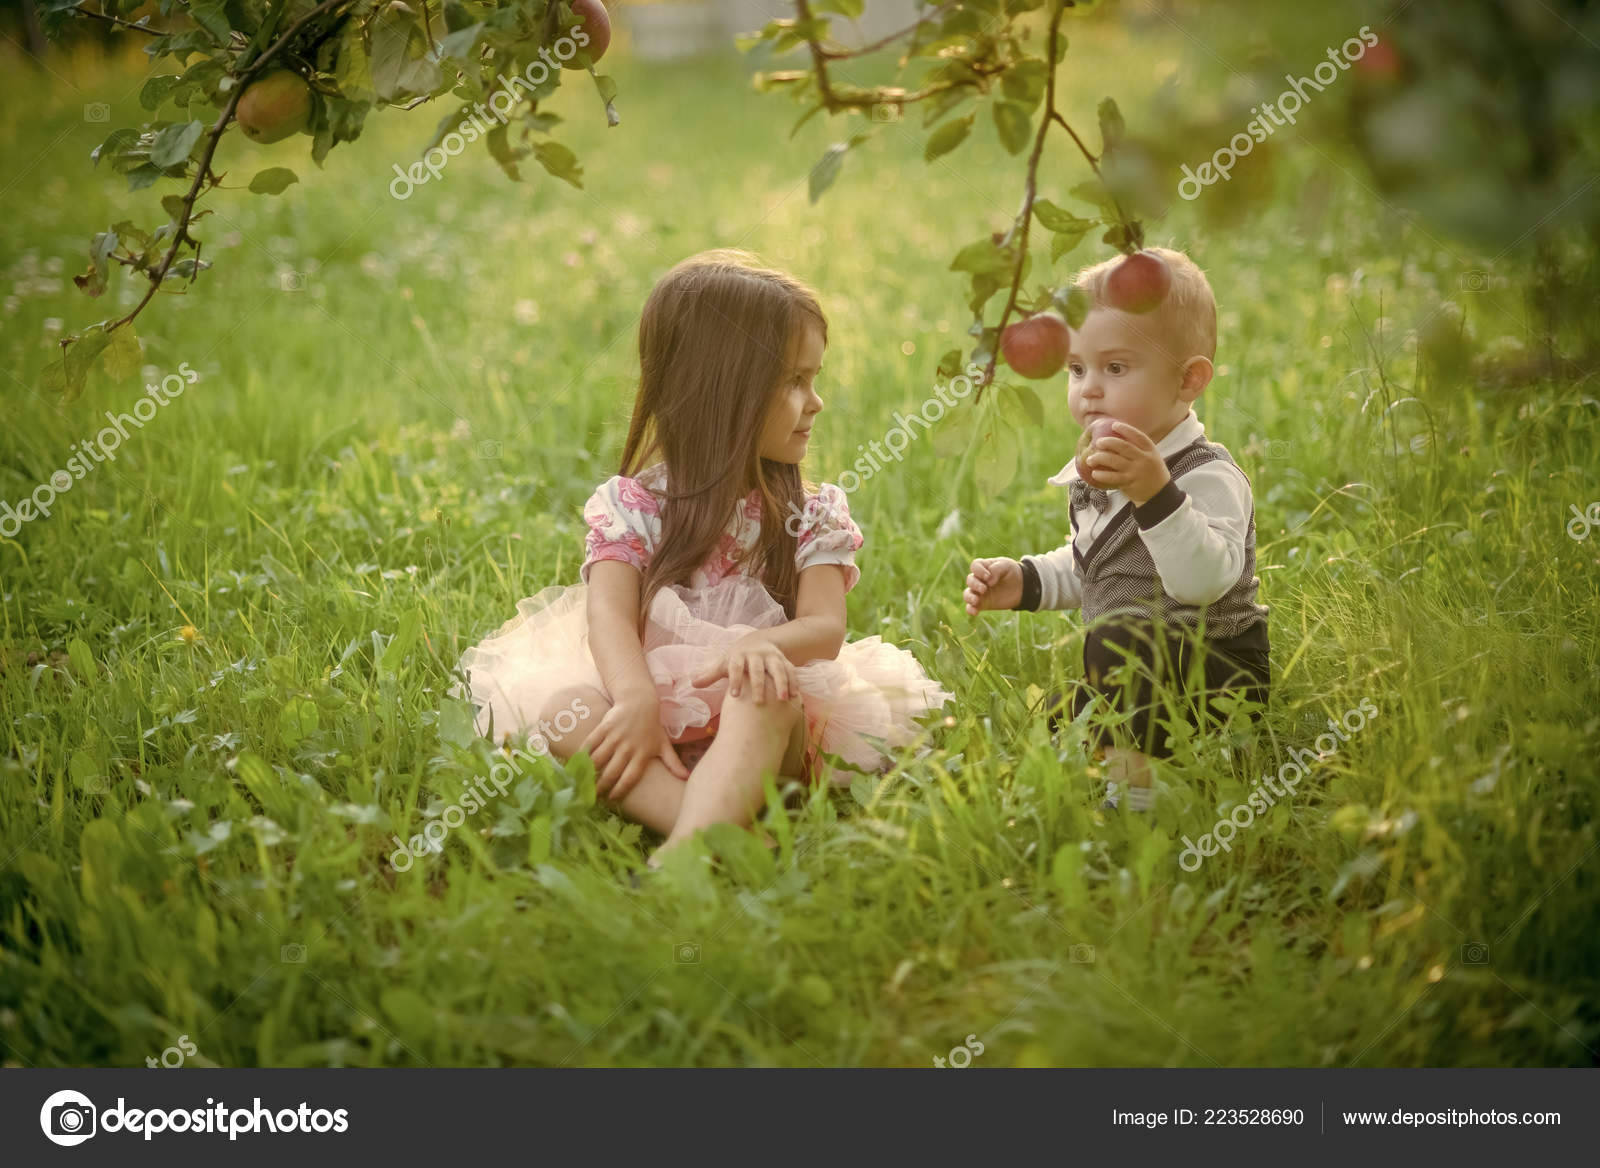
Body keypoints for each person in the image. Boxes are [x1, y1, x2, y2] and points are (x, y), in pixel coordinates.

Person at [459, 249, 950, 865]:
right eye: (796, 382)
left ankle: (685, 854)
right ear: (726, 392)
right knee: (567, 711)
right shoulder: (633, 506)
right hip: (657, 713)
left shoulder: (813, 511)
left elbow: (826, 629)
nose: (817, 401)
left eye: (813, 378)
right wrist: (636, 699)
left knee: (763, 696)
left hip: (769, 724)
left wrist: (766, 646)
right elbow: (608, 616)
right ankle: (726, 834)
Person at [963, 246, 1269, 811]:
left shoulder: (1208, 476)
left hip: (1216, 672)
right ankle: (1118, 759)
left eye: (1116, 367)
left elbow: (1203, 583)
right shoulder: (1104, 469)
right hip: (1141, 671)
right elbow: (1100, 566)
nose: (1089, 389)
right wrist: (1027, 580)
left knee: (1116, 646)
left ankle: (1141, 796)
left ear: (1188, 380)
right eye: (1077, 370)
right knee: (1056, 716)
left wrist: (1155, 495)